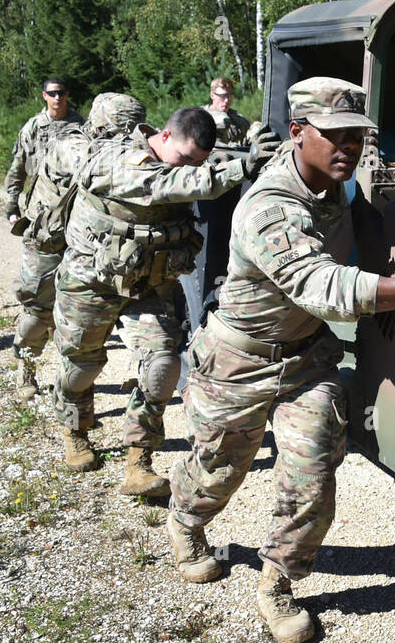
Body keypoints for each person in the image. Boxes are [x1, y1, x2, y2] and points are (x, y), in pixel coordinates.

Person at [167, 76, 395, 643]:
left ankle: (278, 582)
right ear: (297, 133)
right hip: (239, 359)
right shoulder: (269, 208)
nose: (349, 149)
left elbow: (366, 210)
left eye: (356, 137)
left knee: (312, 472)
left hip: (306, 357)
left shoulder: (337, 181)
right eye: (334, 136)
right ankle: (185, 520)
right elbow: (324, 286)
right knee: (219, 472)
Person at [52, 106, 277, 497]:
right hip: (93, 281)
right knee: (82, 366)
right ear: (166, 136)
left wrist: (252, 153)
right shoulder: (122, 160)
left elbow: (199, 174)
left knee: (163, 367)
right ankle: (75, 429)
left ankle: (138, 462)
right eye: (186, 158)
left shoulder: (186, 164)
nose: (189, 167)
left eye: (198, 161)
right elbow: (171, 186)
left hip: (148, 287)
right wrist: (237, 169)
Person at [5, 77, 85, 398]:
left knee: (76, 306)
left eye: (62, 92)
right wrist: (12, 202)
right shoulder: (33, 128)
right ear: (44, 95)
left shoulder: (82, 127)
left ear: (68, 95)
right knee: (38, 305)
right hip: (41, 226)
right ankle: (25, 372)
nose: (58, 98)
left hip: (77, 227)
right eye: (52, 93)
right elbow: (18, 167)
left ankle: (72, 384)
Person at [204, 76, 250, 145]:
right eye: (222, 96)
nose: (226, 100)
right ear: (212, 95)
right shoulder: (200, 118)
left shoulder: (240, 122)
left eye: (229, 96)